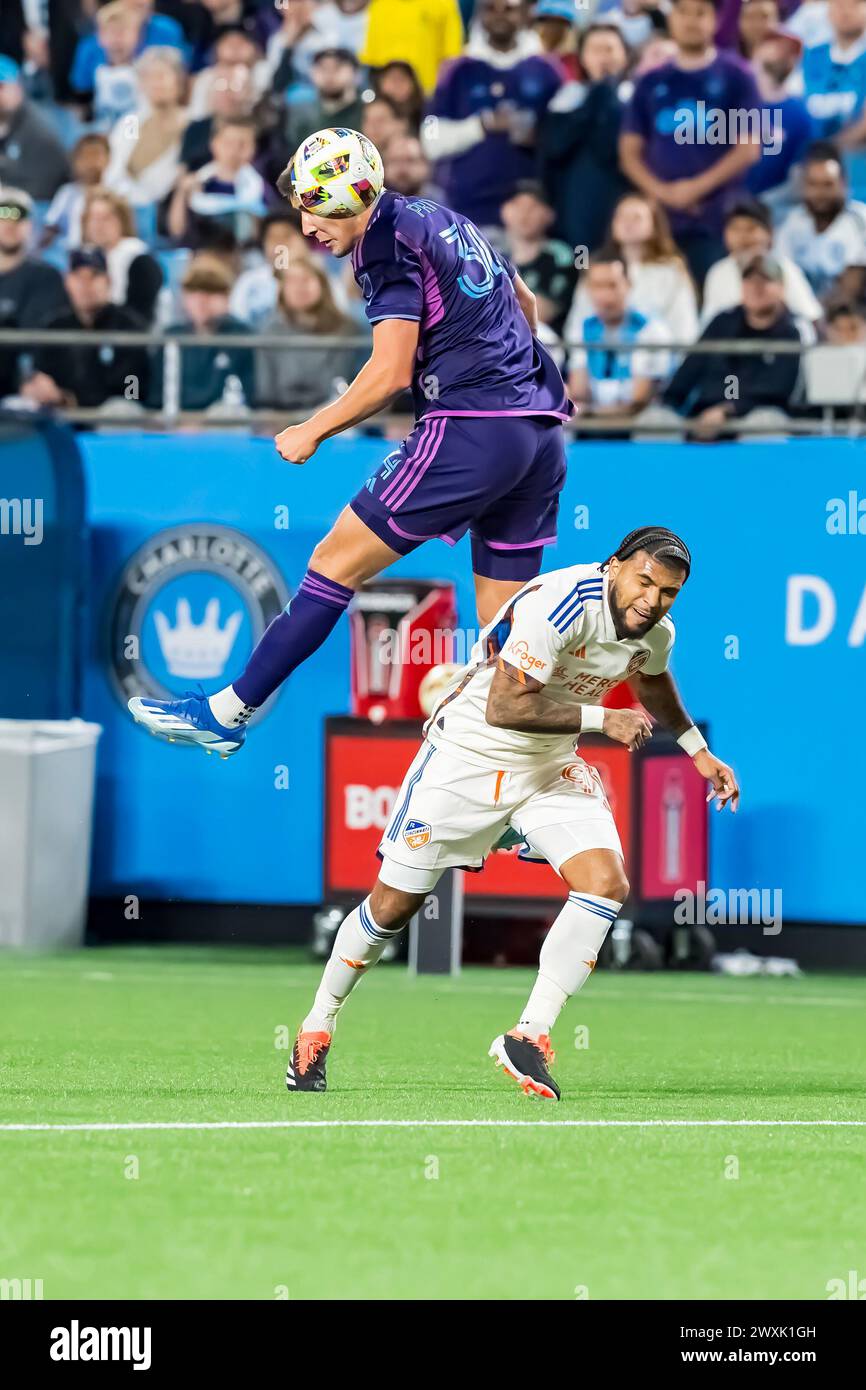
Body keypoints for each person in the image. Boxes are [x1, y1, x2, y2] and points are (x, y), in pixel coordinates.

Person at [128, 129, 572, 757]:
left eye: (312, 205)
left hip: (470, 428)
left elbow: (389, 374)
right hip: (541, 434)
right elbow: (522, 301)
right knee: (511, 633)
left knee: (334, 565)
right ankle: (521, 788)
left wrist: (312, 429)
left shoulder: (383, 244)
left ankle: (228, 713)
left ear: (345, 196)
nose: (306, 226)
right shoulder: (439, 215)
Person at [284, 527, 739, 1098]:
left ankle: (529, 1034)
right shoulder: (564, 603)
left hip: (548, 769)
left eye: (668, 592)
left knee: (605, 883)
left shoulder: (656, 631)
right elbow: (504, 707)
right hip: (466, 758)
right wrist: (603, 721)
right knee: (391, 909)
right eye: (643, 581)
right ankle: (317, 1026)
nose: (652, 599)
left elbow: (651, 679)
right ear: (614, 566)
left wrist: (697, 750)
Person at [619, 0, 763, 287]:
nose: (691, 21)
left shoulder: (738, 76)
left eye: (701, 12)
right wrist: (663, 192)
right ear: (672, 18)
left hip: (717, 218)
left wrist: (694, 189)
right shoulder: (650, 81)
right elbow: (629, 153)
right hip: (659, 220)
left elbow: (749, 148)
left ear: (716, 20)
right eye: (683, 11)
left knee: (713, 295)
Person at [422, 0, 562, 227]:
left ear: (526, 12)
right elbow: (430, 140)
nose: (500, 15)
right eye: (491, 8)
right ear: (479, 13)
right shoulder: (456, 69)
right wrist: (482, 125)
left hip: (530, 217)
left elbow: (567, 138)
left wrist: (539, 135)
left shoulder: (547, 70)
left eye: (509, 8)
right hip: (466, 210)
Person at [661, 251, 811, 428]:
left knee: (764, 422)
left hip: (758, 414)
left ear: (781, 287)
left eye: (765, 281)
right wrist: (668, 403)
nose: (756, 287)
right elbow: (690, 368)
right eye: (749, 280)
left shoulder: (792, 330)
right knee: (657, 419)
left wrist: (729, 409)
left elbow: (779, 389)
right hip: (705, 413)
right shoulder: (722, 322)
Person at [538, 22, 632, 254]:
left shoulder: (636, 95)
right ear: (581, 57)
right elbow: (555, 147)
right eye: (595, 50)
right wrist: (596, 96)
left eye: (610, 49)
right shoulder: (566, 98)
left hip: (624, 200)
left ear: (625, 55)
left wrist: (607, 93)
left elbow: (610, 149)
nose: (603, 57)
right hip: (578, 207)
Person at [21, 245, 150, 410]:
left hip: (109, 417)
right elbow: (40, 373)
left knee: (123, 408)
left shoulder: (129, 326)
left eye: (94, 276)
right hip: (60, 414)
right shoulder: (54, 326)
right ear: (67, 282)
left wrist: (74, 400)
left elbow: (133, 392)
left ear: (108, 281)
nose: (85, 284)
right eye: (78, 276)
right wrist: (38, 387)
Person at [566, 192, 699, 347]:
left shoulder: (671, 270)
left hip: (656, 359)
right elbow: (578, 321)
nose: (628, 223)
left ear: (654, 226)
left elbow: (684, 326)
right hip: (599, 360)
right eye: (621, 217)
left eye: (637, 218)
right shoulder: (595, 267)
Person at [568, 254, 671, 418]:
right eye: (597, 286)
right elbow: (579, 392)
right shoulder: (582, 328)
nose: (605, 296)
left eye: (612, 285)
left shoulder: (650, 329)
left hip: (636, 419)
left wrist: (592, 413)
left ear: (628, 285)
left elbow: (638, 400)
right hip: (592, 417)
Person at [148, 254, 254, 410]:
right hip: (174, 421)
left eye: (210, 291)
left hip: (220, 424)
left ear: (227, 296)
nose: (201, 300)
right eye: (194, 291)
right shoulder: (171, 336)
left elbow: (250, 395)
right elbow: (155, 394)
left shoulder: (242, 337)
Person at [255, 255, 361, 410]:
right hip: (281, 417)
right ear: (281, 290)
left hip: (335, 416)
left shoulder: (348, 329)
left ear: (322, 285)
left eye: (306, 280)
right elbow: (265, 393)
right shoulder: (270, 331)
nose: (300, 287)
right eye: (292, 281)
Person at [701, 197, 823, 324]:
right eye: (735, 229)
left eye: (751, 229)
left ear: (769, 233)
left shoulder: (784, 268)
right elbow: (709, 323)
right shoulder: (718, 272)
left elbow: (809, 317)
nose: (742, 237)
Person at [0, 187, 69, 400]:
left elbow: (35, 336)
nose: (10, 225)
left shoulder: (47, 277)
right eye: (2, 216)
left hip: (26, 385)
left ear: (30, 226)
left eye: (19, 218)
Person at [775, 142, 866, 300]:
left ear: (843, 183)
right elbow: (783, 275)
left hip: (847, 314)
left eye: (827, 184)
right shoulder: (791, 222)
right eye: (813, 184)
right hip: (802, 312)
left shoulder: (860, 219)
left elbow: (852, 286)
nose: (820, 193)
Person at [105, 46, 189, 207]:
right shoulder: (132, 122)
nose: (157, 83)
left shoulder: (191, 126)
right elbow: (116, 165)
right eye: (149, 77)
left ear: (178, 81)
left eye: (162, 76)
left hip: (163, 209)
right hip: (123, 203)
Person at [168, 114, 266, 247]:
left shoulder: (261, 186)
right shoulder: (194, 184)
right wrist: (182, 192)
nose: (234, 150)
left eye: (242, 144)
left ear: (253, 148)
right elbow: (177, 231)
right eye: (228, 143)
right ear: (214, 144)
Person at [802, 0, 866, 200]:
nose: (846, 11)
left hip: (858, 181)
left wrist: (827, 149)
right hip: (810, 179)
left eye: (855, 4)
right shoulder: (809, 56)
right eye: (839, 4)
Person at [746, 27, 814, 202]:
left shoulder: (799, 116)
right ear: (757, 51)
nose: (781, 57)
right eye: (776, 48)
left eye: (790, 54)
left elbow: (798, 176)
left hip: (772, 211)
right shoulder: (732, 101)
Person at [500, 181, 576, 334]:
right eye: (517, 204)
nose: (524, 213)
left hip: (541, 341)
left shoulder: (560, 256)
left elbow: (540, 313)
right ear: (504, 210)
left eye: (533, 207)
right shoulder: (491, 251)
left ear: (550, 215)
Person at [80, 188, 164, 324]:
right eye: (93, 218)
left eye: (106, 218)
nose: (98, 226)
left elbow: (143, 312)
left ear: (122, 221)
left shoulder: (139, 258)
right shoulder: (84, 256)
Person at [0, 52, 70, 199]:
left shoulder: (40, 130)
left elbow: (42, 189)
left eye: (1, 87)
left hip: (32, 207)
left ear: (18, 87)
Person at [360, 0, 465, 92]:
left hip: (426, 92)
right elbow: (371, 59)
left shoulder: (444, 3)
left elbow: (452, 58)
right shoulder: (378, 4)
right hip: (385, 95)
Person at [229, 211, 307, 326]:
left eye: (287, 235)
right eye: (273, 237)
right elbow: (237, 321)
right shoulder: (249, 282)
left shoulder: (320, 277)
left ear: (303, 241)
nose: (280, 243)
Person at [284, 47, 365, 157]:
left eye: (338, 67)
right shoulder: (300, 114)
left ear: (355, 73)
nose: (329, 73)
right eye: (322, 67)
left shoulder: (368, 113)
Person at [41, 134, 111, 251]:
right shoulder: (67, 193)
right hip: (71, 254)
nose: (91, 162)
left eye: (96, 155)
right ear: (75, 161)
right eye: (85, 156)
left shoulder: (116, 194)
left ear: (109, 159)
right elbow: (50, 228)